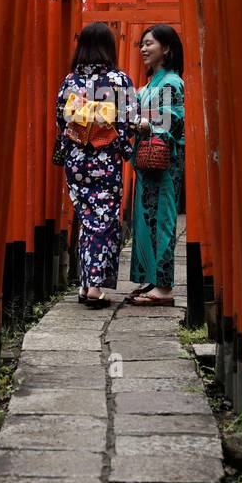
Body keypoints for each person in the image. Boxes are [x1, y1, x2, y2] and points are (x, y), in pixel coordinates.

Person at [56, 22, 140, 307]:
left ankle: (84, 285)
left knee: (86, 218)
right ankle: (94, 286)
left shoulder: (70, 81)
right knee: (102, 222)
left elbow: (61, 119)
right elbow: (130, 120)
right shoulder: (119, 80)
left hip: (77, 160)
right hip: (105, 160)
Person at [127, 24, 186, 306]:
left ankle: (164, 288)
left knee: (162, 221)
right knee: (146, 220)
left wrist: (146, 124)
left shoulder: (172, 83)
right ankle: (153, 279)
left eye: (149, 43)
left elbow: (174, 121)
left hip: (164, 166)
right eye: (141, 44)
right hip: (147, 164)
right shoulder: (150, 85)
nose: (143, 49)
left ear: (167, 48)